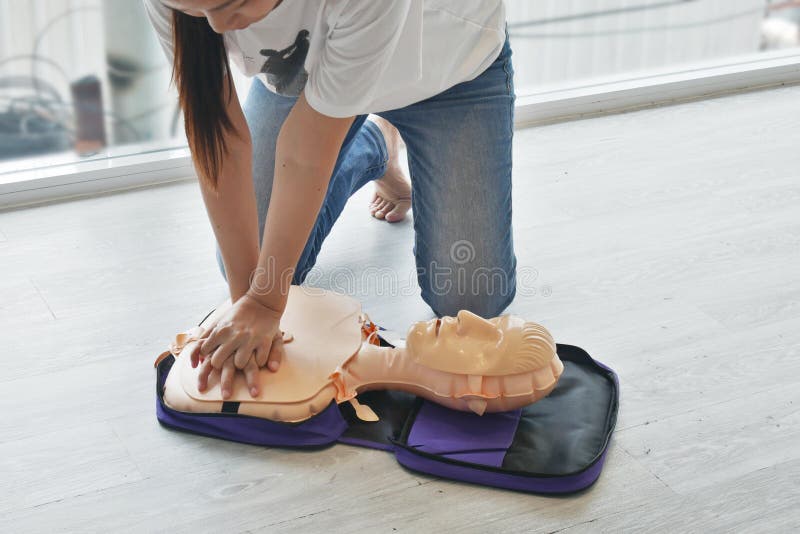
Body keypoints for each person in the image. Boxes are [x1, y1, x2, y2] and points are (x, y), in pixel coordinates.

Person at [143, 0, 518, 399]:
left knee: (471, 296)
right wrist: (250, 302)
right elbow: (218, 136)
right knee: (254, 265)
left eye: (232, 3)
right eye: (200, 12)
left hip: (445, 68)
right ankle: (374, 148)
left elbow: (305, 154)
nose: (217, 27)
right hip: (307, 70)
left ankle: (375, 132)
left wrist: (267, 304)